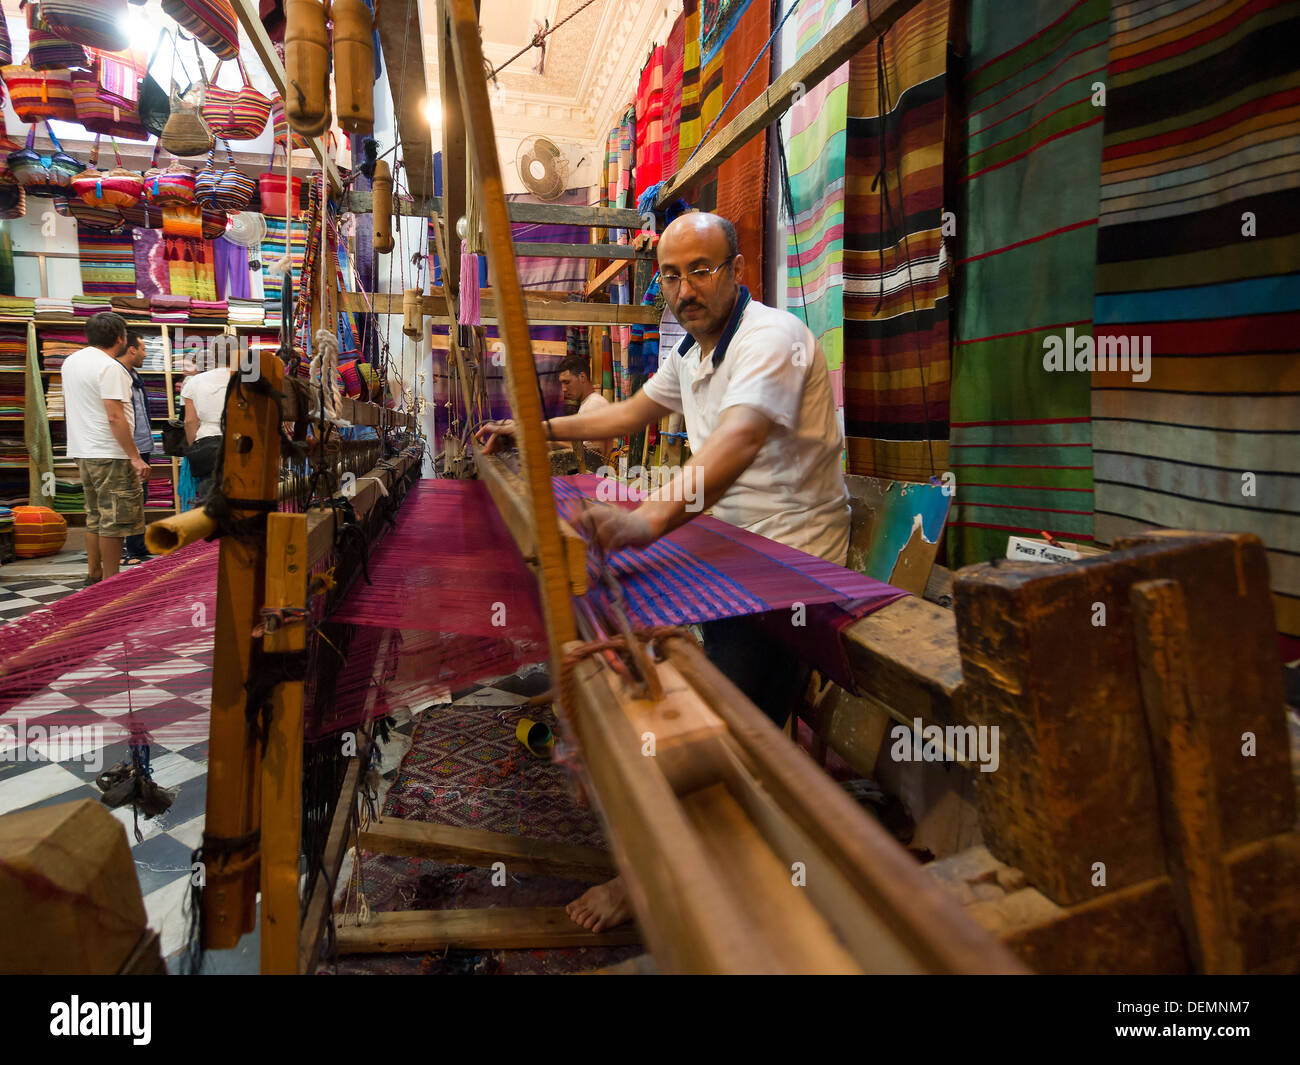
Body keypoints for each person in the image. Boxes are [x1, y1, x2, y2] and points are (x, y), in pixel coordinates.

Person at [479, 211, 851, 933]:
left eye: (702, 270)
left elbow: (739, 441)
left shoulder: (770, 340)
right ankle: (641, 786)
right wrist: (537, 429)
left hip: (791, 563)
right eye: (672, 274)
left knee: (721, 714)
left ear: (737, 270)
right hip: (727, 549)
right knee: (631, 650)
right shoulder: (690, 350)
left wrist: (646, 521)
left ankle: (656, 866)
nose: (685, 288)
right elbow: (626, 414)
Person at [61, 312, 150, 584]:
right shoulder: (111, 367)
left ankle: (94, 573)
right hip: (110, 452)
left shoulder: (71, 362)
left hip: (83, 449)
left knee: (95, 515)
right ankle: (112, 582)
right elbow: (114, 416)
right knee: (115, 519)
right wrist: (135, 457)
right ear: (120, 337)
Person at [115, 330, 155, 564]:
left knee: (140, 497)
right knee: (127, 498)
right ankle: (129, 551)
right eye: (143, 348)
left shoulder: (134, 377)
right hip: (127, 447)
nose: (145, 352)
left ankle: (136, 548)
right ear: (132, 349)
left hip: (141, 445)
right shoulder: (117, 375)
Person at [180, 347, 233, 501]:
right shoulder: (246, 378)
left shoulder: (195, 381)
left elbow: (190, 421)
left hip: (206, 444)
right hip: (239, 444)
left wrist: (193, 448)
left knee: (210, 498)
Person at [556, 353, 613, 464]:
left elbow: (597, 453)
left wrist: (556, 443)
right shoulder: (589, 404)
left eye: (567, 382)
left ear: (582, 377)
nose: (563, 389)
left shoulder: (594, 405)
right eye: (561, 383)